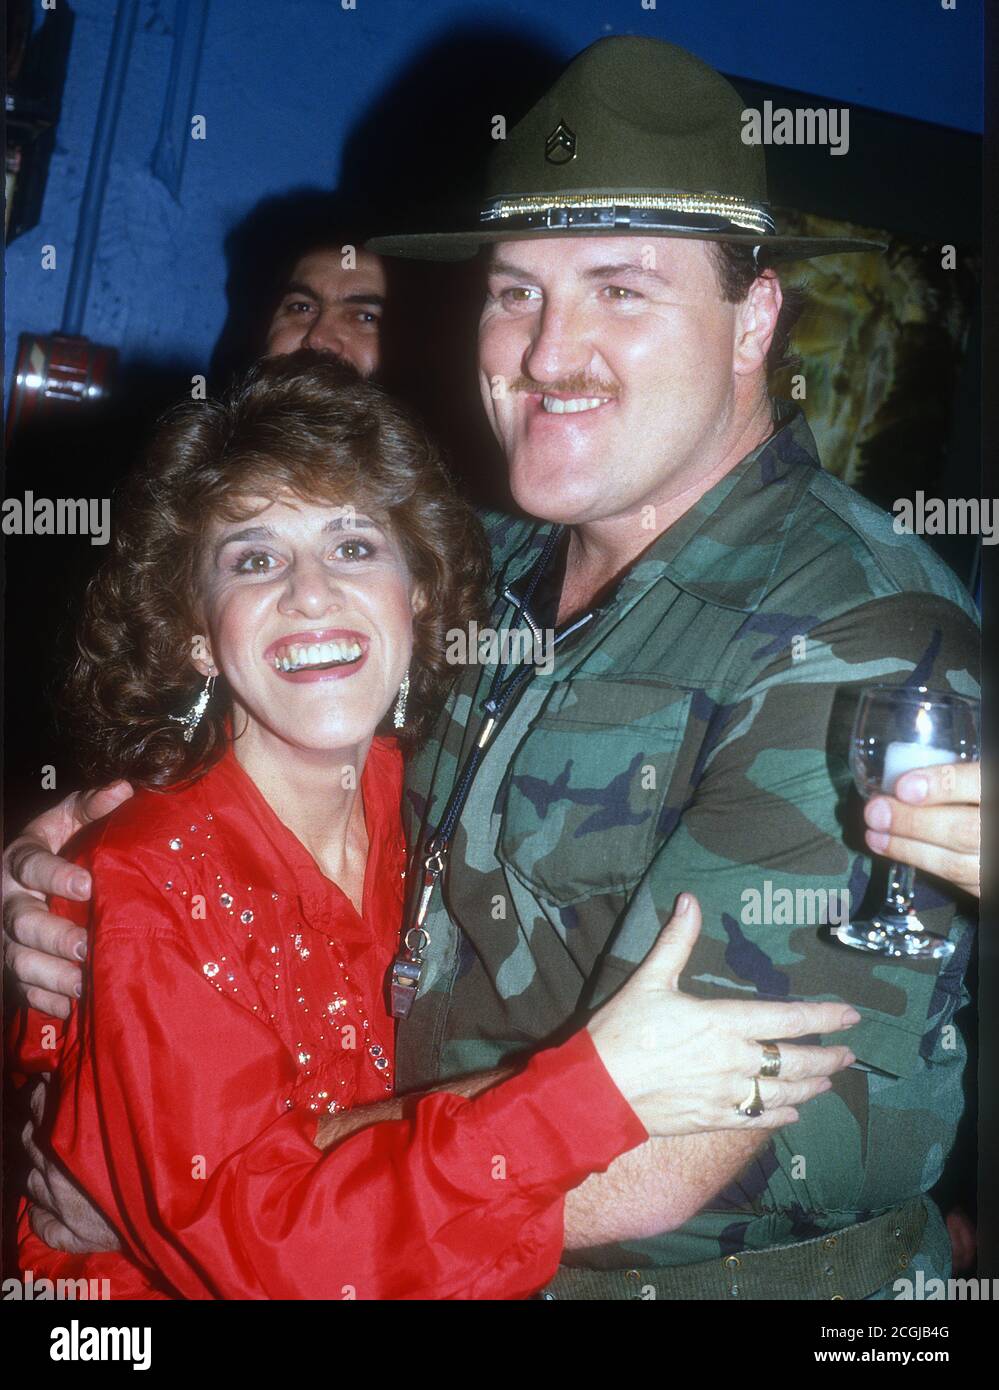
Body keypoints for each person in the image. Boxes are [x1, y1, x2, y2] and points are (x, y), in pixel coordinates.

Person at [2, 37, 983, 1296]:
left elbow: (666, 1150)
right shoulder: (466, 561)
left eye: (621, 289)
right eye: (517, 290)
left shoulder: (863, 631)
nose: (544, 351)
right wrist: (57, 880)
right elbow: (245, 821)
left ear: (756, 319)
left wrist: (177, 1182)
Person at [7, 352, 856, 1300]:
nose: (311, 591)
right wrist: (591, 1093)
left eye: (354, 545)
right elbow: (270, 1254)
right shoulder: (150, 875)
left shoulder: (428, 790)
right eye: (254, 558)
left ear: (417, 597)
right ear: (196, 632)